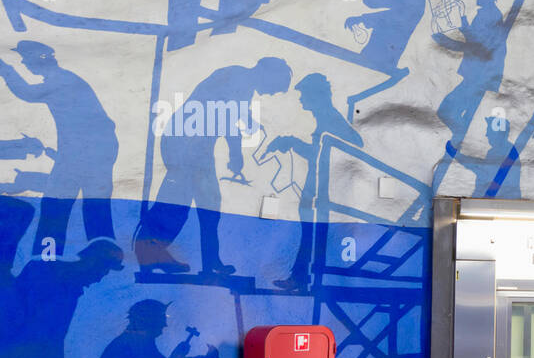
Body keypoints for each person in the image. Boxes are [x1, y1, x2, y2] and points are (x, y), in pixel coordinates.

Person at [135, 57, 292, 275]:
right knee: (177, 202)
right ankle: (149, 253)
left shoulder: (241, 82)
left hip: (198, 148)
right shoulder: (239, 79)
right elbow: (228, 120)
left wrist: (245, 121)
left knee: (210, 205)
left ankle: (211, 262)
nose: (272, 93)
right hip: (184, 143)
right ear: (269, 74)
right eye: (275, 87)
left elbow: (229, 113)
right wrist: (236, 155)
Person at [0, 41, 118, 253]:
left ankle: (47, 258)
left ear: (40, 60)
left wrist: (5, 69)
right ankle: (104, 255)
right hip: (93, 151)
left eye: (27, 58)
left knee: (56, 205)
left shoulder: (61, 80)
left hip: (83, 153)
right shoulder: (66, 79)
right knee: (95, 206)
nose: (25, 63)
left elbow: (27, 93)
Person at [269, 74, 363, 292]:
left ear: (316, 95)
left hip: (322, 193)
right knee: (310, 236)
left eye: (304, 95)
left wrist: (293, 142)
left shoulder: (330, 118)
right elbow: (318, 153)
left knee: (313, 236)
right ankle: (301, 279)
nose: (301, 100)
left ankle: (302, 279)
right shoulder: (325, 118)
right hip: (314, 191)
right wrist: (292, 143)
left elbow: (354, 145)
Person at [432, 0, 507, 188]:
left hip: (479, 77)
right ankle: (459, 135)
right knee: (449, 112)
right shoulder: (487, 14)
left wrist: (445, 41)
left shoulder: (490, 14)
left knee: (445, 110)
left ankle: (458, 138)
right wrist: (463, 20)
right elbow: (475, 40)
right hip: (478, 76)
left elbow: (478, 46)